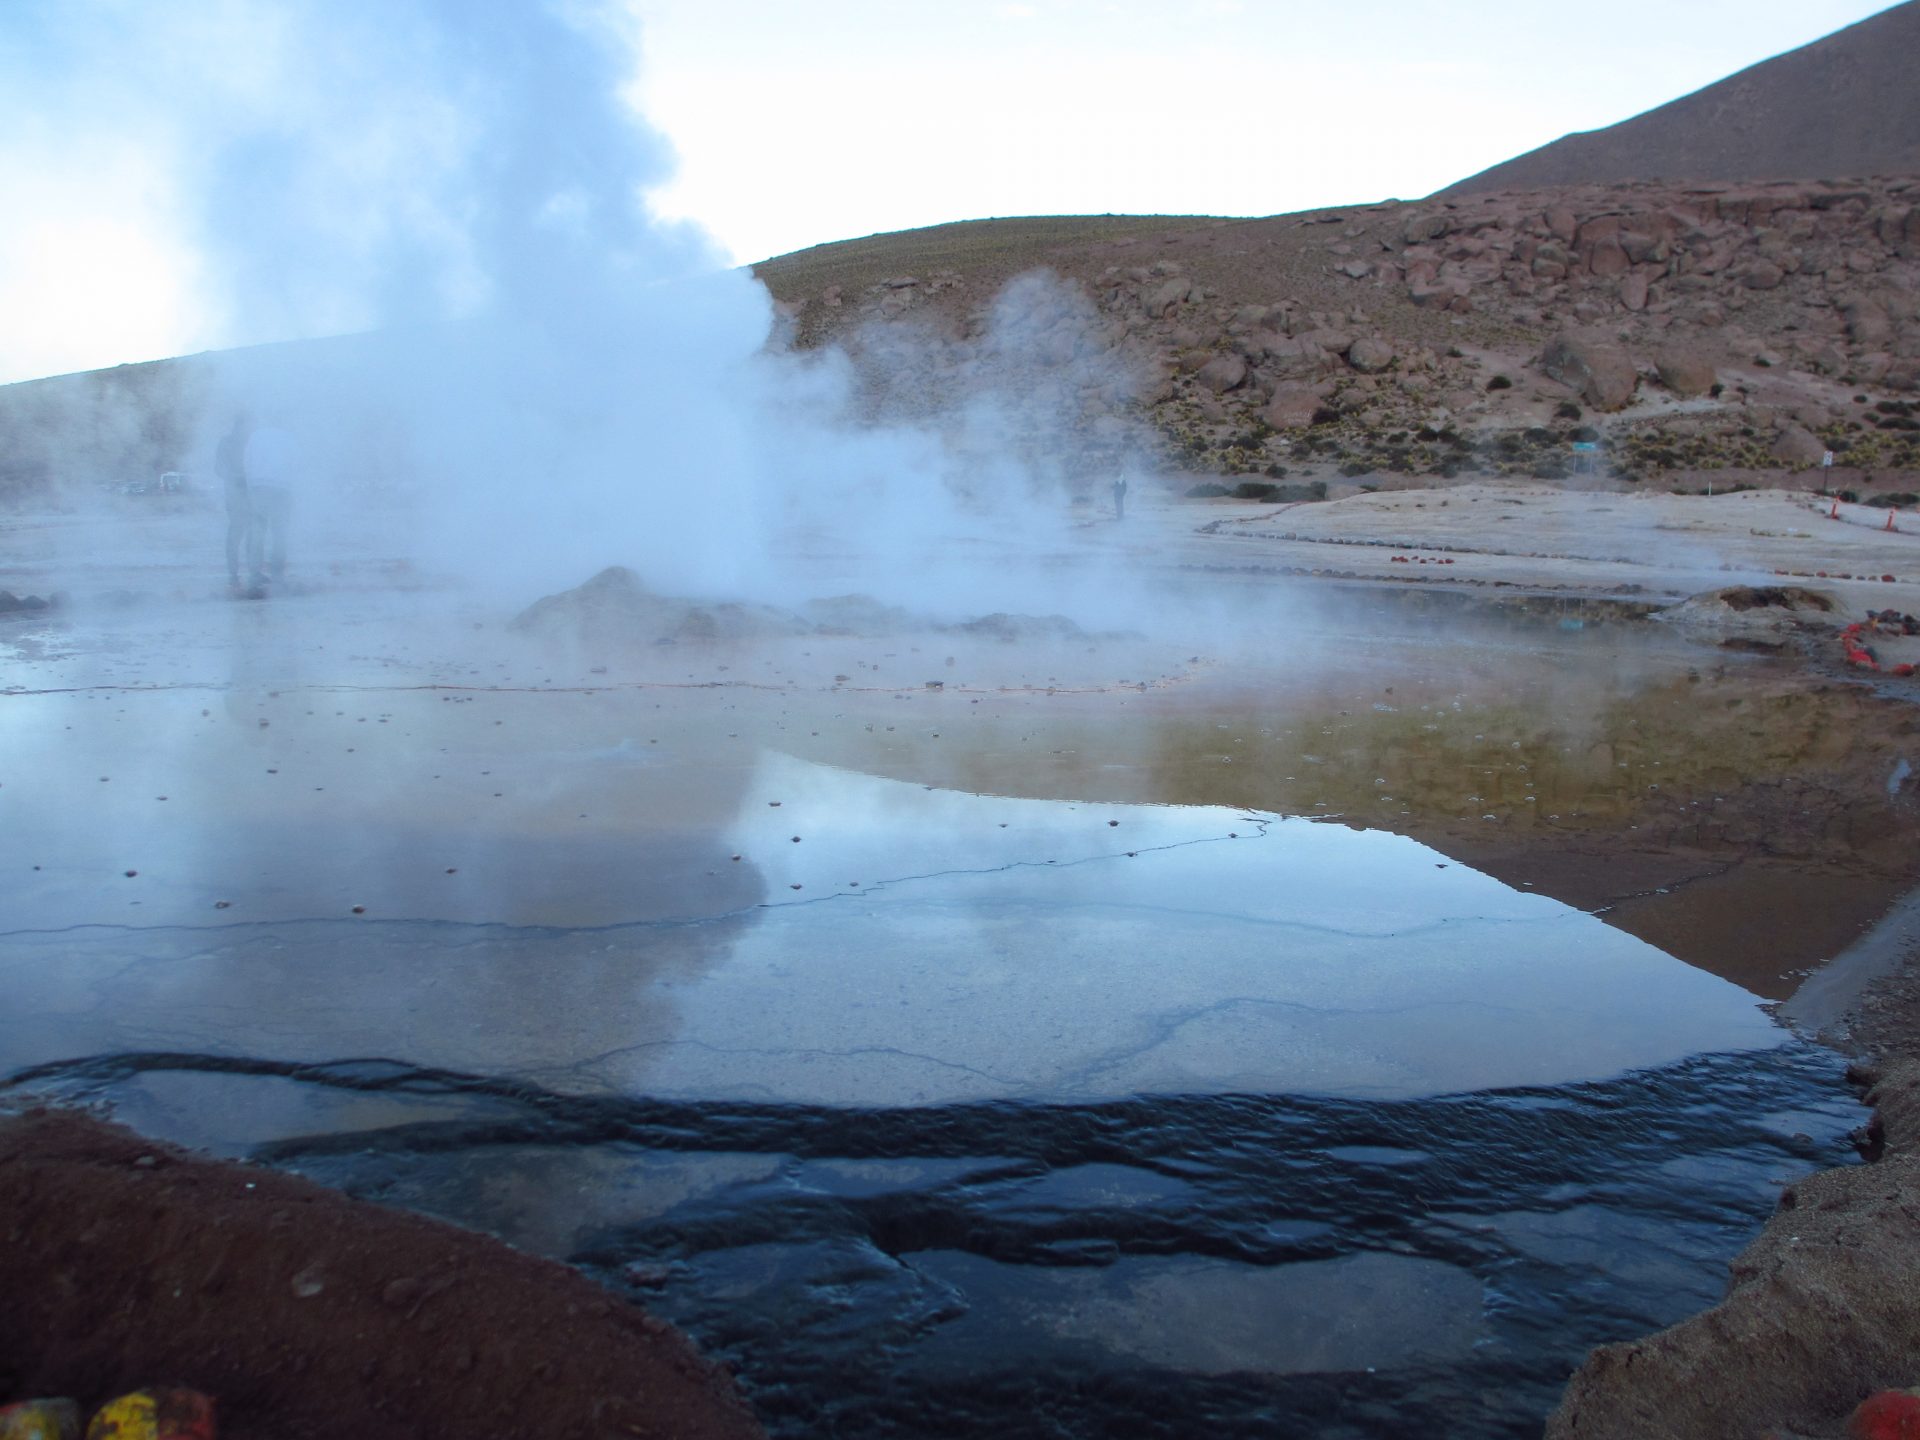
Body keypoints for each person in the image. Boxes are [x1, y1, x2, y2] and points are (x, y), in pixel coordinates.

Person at [241, 421, 298, 584]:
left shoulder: (256, 436)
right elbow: (297, 463)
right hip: (282, 489)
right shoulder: (288, 437)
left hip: (259, 488)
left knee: (258, 532)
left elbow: (247, 462)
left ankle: (254, 574)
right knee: (279, 533)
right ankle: (278, 574)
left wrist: (251, 485)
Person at [214, 413, 254, 589]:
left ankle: (254, 573)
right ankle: (233, 574)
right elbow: (218, 468)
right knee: (236, 532)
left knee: (254, 533)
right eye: (246, 425)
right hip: (234, 494)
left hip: (252, 493)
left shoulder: (252, 442)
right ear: (238, 426)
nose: (249, 429)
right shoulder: (226, 442)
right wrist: (234, 478)